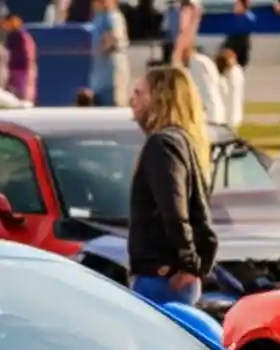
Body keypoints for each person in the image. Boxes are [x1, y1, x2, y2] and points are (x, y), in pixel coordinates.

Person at [126, 65, 218, 305]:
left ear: (159, 99)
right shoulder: (182, 140)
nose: (131, 100)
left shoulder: (163, 144)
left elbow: (174, 210)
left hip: (163, 279)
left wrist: (188, 265)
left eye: (138, 93)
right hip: (168, 276)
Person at [90, 0, 129, 107]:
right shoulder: (98, 18)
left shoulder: (113, 17)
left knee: (114, 108)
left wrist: (103, 46)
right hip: (99, 78)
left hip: (112, 77)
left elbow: (113, 41)